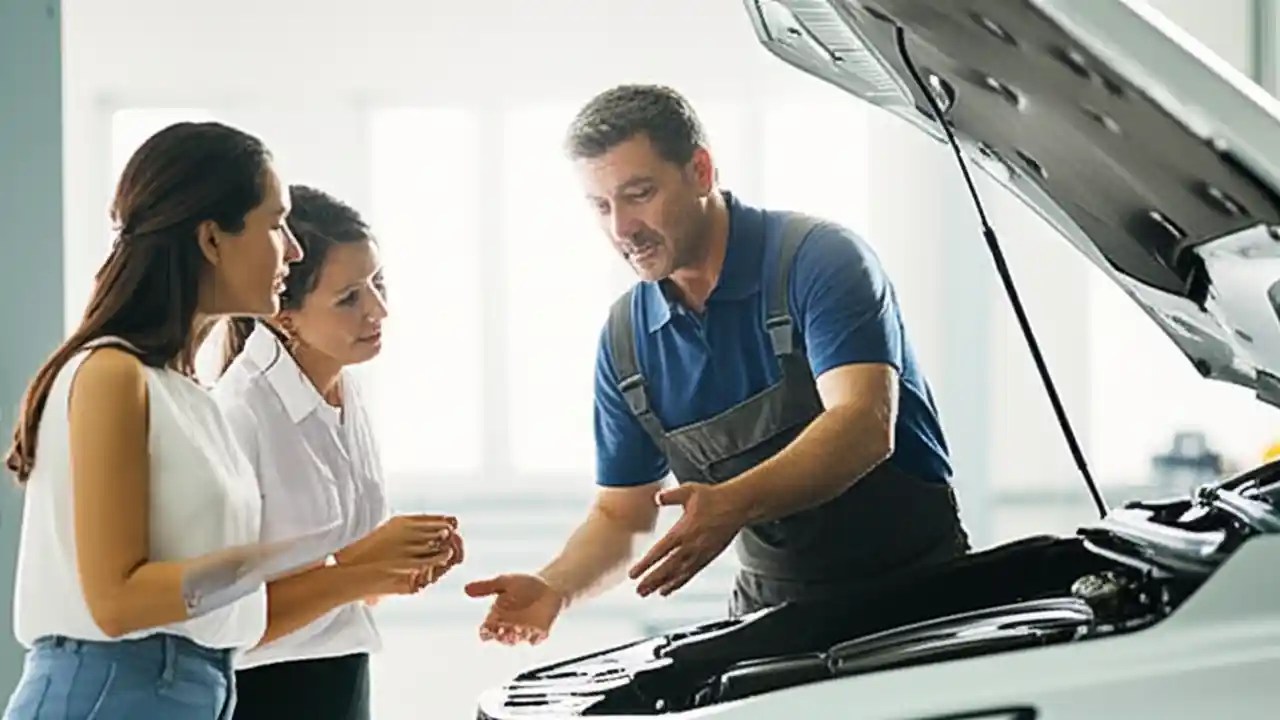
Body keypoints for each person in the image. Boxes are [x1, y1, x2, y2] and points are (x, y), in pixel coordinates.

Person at [465, 84, 971, 643]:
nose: (620, 228)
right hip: (771, 620)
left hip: (920, 604)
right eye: (601, 206)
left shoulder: (820, 261)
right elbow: (622, 514)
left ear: (701, 171)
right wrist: (555, 586)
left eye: (639, 194)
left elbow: (863, 424)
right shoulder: (625, 342)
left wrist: (729, 504)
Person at [0, 122, 448, 720]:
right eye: (274, 224)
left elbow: (228, 613)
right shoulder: (112, 374)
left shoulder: (189, 395)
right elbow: (114, 601)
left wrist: (360, 566)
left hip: (198, 692)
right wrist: (334, 556)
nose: (291, 248)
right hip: (108, 696)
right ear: (211, 240)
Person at [212, 184, 464, 720]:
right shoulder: (238, 414)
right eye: (350, 297)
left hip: (343, 680)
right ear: (282, 314)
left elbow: (347, 581)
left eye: (378, 283)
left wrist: (405, 562)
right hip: (266, 696)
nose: (380, 309)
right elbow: (222, 622)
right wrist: (365, 570)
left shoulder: (347, 391)